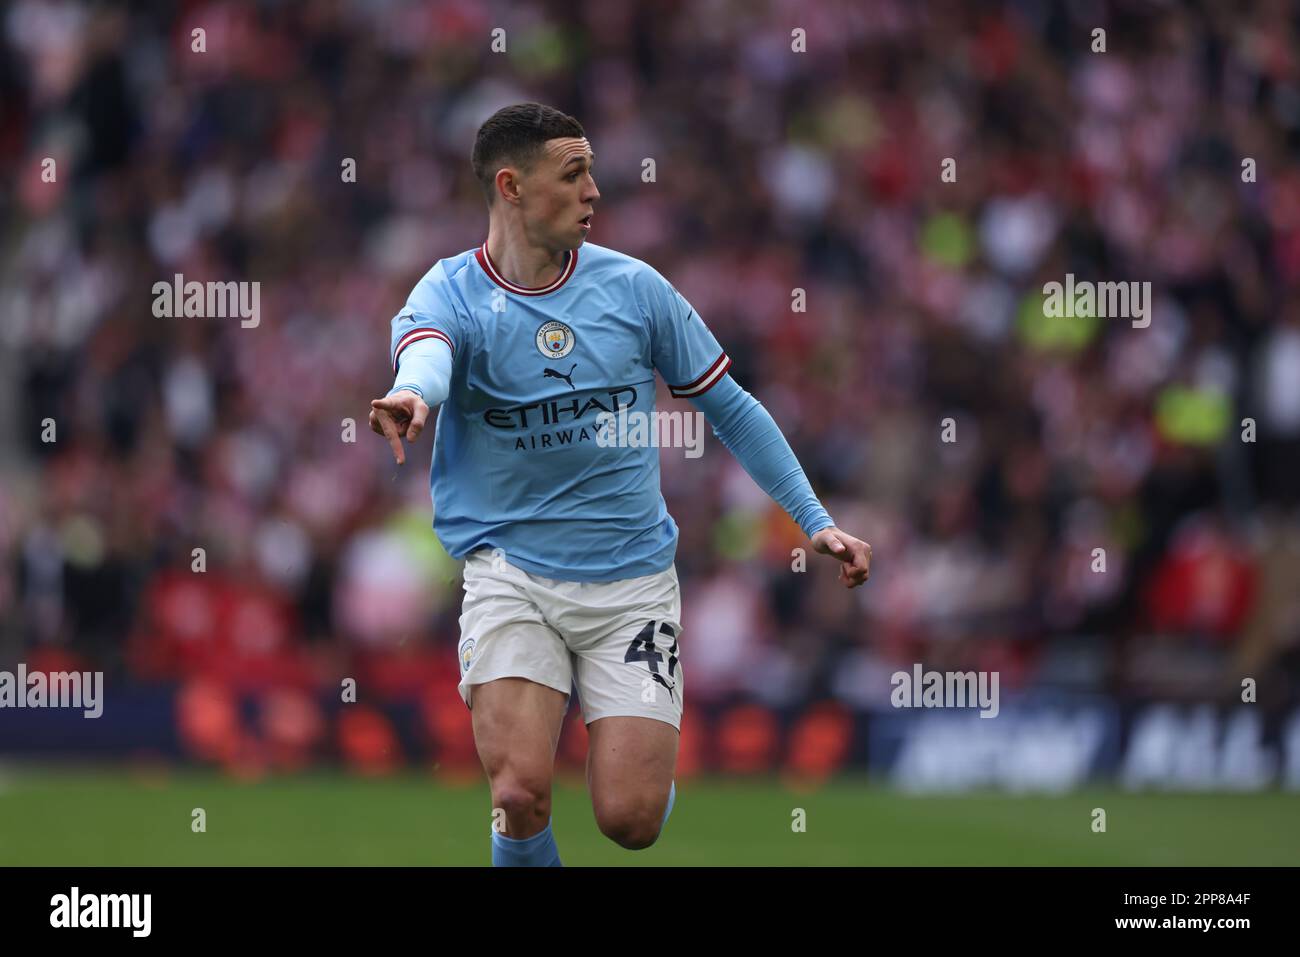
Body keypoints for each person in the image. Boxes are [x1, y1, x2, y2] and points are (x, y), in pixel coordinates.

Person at [369, 102, 871, 866]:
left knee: (630, 821)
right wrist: (414, 397)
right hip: (511, 574)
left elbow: (729, 407)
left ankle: (645, 772)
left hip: (631, 582)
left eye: (593, 171)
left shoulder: (636, 291)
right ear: (511, 186)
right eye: (573, 175)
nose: (595, 191)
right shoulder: (449, 293)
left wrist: (813, 518)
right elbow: (429, 355)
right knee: (518, 791)